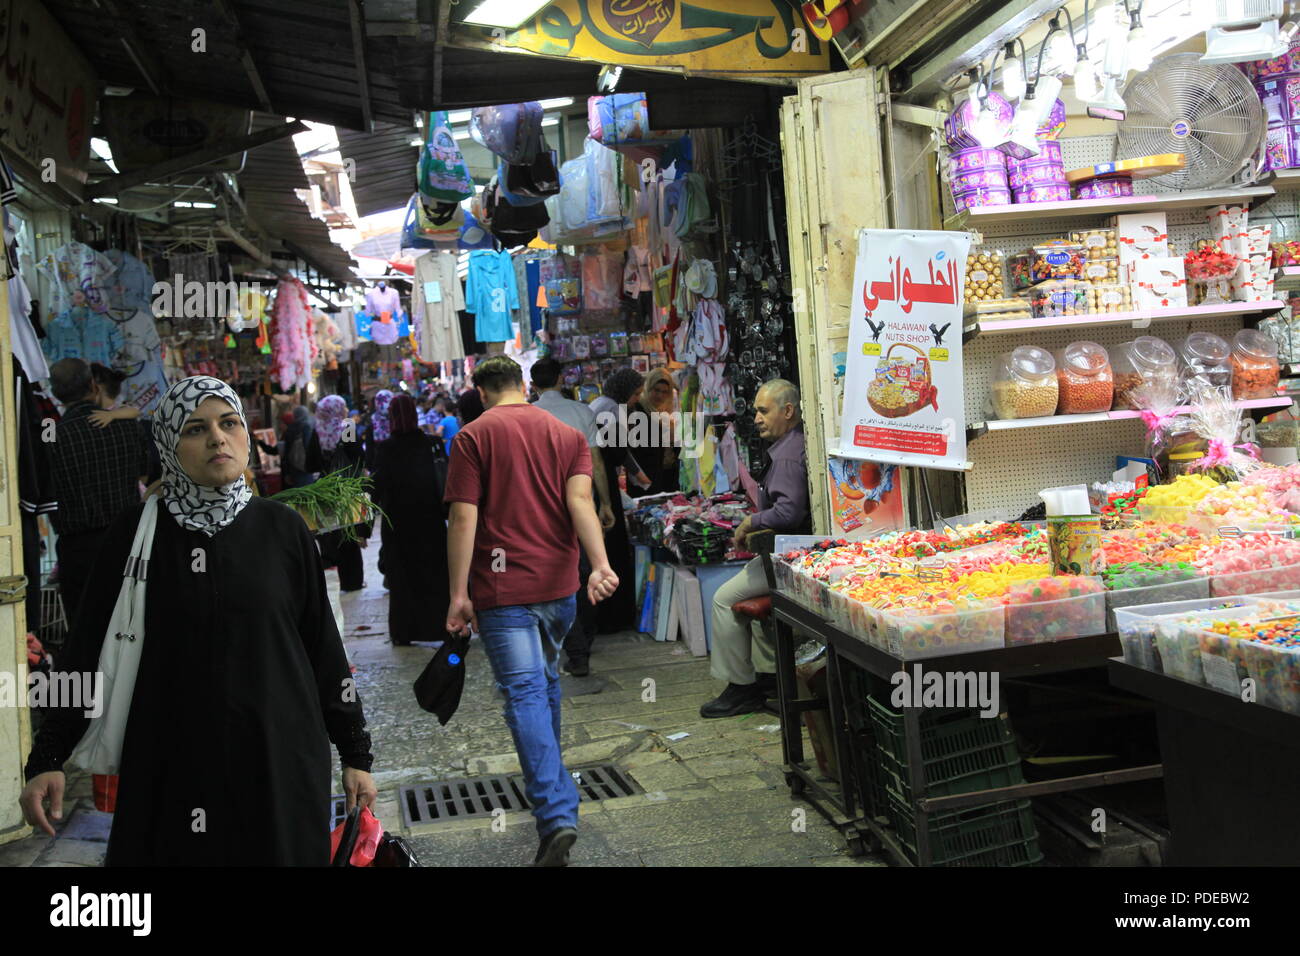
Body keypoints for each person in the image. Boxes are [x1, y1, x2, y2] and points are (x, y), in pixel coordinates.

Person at [20, 376, 377, 864]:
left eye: (229, 423)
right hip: (170, 762)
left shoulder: (282, 530)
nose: (217, 438)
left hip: (277, 758)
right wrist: (47, 757)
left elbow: (323, 650)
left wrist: (356, 754)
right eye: (195, 428)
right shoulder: (136, 534)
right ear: (168, 444)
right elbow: (85, 648)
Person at [444, 355, 619, 867]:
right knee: (543, 686)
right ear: (526, 386)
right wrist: (600, 565)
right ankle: (554, 793)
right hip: (559, 586)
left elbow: (462, 519)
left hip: (504, 591)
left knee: (524, 693)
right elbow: (582, 503)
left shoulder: (473, 438)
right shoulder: (567, 433)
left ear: (481, 392)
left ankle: (556, 812)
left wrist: (459, 594)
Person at [700, 379, 811, 719]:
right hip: (785, 553)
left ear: (788, 411)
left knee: (723, 599)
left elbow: (789, 510)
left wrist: (751, 522)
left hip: (789, 556)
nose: (758, 418)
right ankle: (767, 679)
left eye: (764, 411)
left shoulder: (789, 455)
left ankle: (741, 687)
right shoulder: (789, 447)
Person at [46, 358, 155, 631]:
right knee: (132, 628)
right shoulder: (127, 426)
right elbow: (143, 476)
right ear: (93, 385)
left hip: (77, 550)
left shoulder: (54, 437)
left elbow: (48, 492)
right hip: (128, 542)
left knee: (87, 632)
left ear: (55, 393)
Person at [530, 358, 616, 677]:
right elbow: (596, 463)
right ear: (561, 380)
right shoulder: (582, 412)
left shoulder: (529, 416)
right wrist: (605, 503)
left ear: (534, 384)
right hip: (582, 504)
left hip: (544, 511)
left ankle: (575, 648)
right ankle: (584, 642)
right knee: (585, 573)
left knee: (560, 579)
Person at [372, 393, 451, 646]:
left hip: (397, 526)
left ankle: (404, 632)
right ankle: (439, 628)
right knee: (434, 574)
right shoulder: (432, 444)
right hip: (431, 522)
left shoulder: (385, 449)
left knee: (402, 578)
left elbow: (377, 487)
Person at [589, 366, 650, 635]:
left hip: (593, 479)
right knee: (613, 546)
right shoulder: (611, 408)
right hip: (602, 482)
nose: (637, 399)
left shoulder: (599, 404)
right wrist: (639, 474)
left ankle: (603, 615)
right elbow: (616, 451)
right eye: (636, 393)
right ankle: (614, 616)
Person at [315, 394, 368, 592]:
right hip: (346, 486)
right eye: (344, 407)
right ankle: (352, 580)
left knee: (330, 532)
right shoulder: (347, 427)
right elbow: (358, 455)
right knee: (349, 532)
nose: (346, 411)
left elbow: (310, 461)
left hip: (324, 488)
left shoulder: (317, 429)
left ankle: (332, 573)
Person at [630, 368, 680, 497]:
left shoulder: (664, 411)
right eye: (656, 390)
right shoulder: (637, 410)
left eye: (665, 392)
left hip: (665, 476)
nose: (660, 396)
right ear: (648, 387)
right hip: (645, 481)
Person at [256, 405, 323, 489]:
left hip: (293, 468)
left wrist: (288, 472)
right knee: (305, 493)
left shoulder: (291, 429)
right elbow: (308, 448)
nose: (280, 425)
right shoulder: (307, 427)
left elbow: (286, 452)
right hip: (305, 467)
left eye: (281, 422)